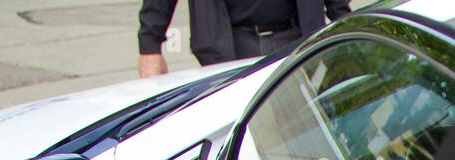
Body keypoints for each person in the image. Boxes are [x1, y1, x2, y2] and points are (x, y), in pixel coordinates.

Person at [137, 0, 351, 76]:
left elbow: (339, 7)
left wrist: (344, 23)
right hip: (230, 47)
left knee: (299, 128)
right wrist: (150, 44)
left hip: (296, 38)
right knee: (236, 138)